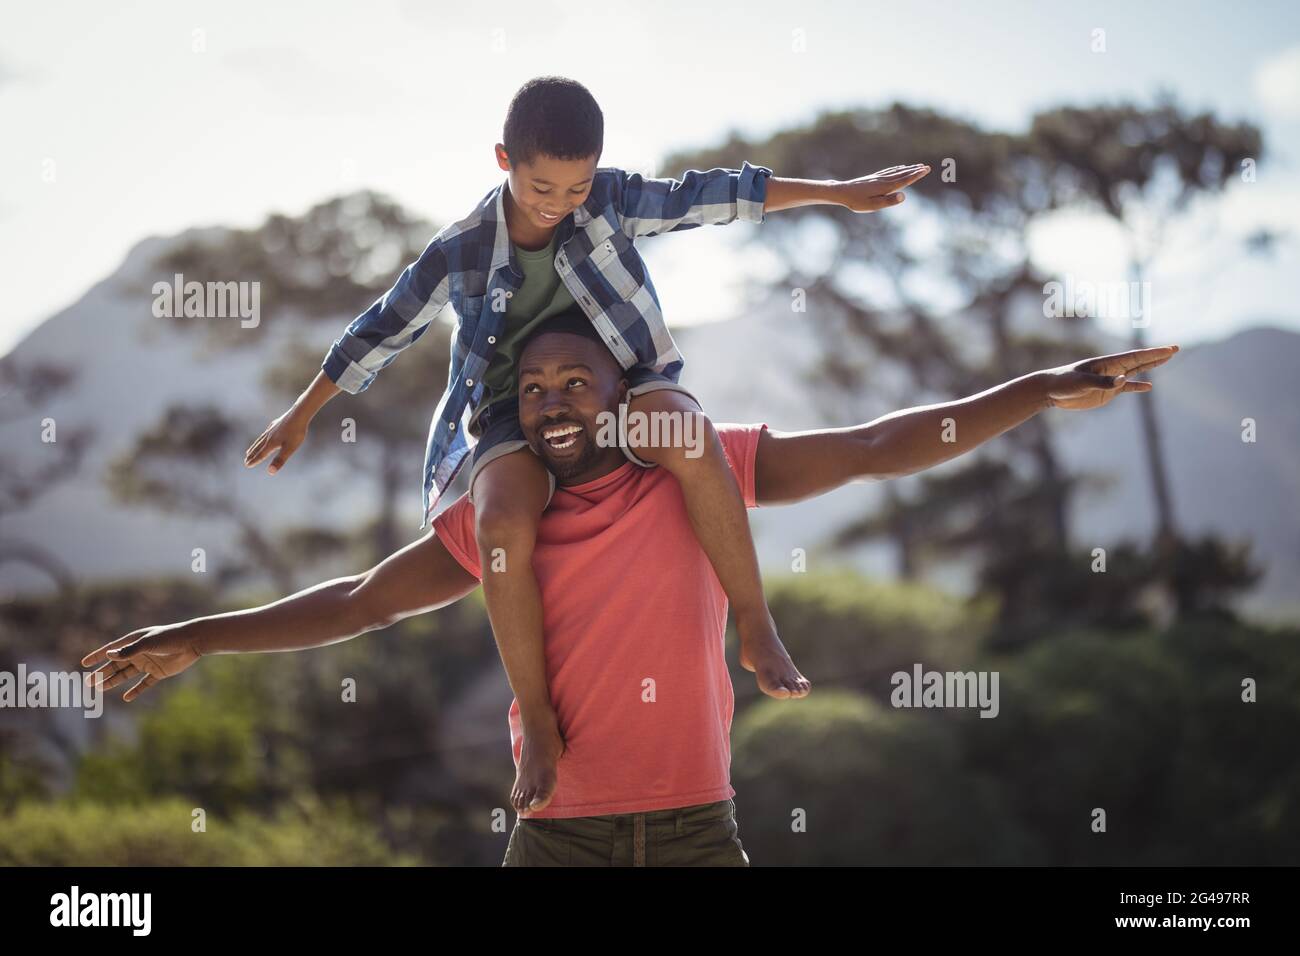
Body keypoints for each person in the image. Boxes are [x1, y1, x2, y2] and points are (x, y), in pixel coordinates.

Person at [85, 314, 1179, 866]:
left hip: (701, 829)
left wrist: (1037, 387)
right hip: (556, 831)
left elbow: (880, 446)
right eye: (535, 387)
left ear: (621, 395)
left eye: (577, 381)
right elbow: (361, 600)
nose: (554, 397)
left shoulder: (704, 474)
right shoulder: (497, 521)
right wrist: (197, 632)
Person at [240, 75, 932, 812]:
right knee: (501, 522)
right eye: (542, 185)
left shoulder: (608, 200)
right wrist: (304, 411)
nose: (559, 202)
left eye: (576, 187)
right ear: (503, 158)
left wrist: (840, 191)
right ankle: (537, 718)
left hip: (623, 386)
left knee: (691, 439)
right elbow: (382, 327)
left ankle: (758, 628)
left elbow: (711, 196)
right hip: (515, 411)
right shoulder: (464, 250)